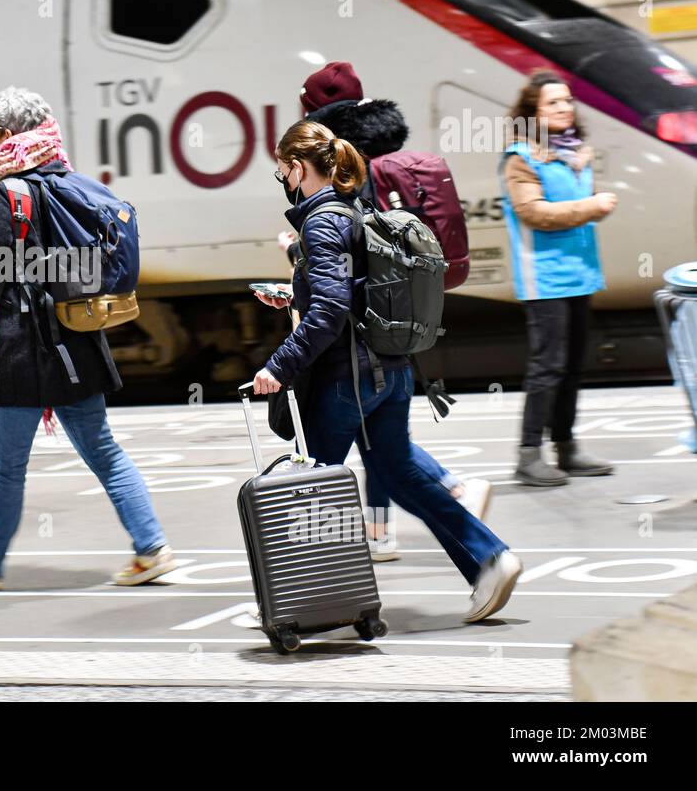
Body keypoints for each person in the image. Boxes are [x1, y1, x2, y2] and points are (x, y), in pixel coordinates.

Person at [254, 119, 522, 623]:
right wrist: (295, 294)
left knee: (317, 491)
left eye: (281, 172)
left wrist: (280, 364)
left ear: (295, 168)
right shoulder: (361, 207)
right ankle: (490, 558)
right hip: (391, 372)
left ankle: (311, 606)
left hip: (342, 384)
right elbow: (356, 293)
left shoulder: (319, 221)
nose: (283, 181)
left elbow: (331, 310)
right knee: (398, 473)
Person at [0, 86, 173, 591]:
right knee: (104, 450)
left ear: (2, 134)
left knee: (6, 465)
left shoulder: (9, 190)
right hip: (77, 337)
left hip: (25, 349)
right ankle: (152, 548)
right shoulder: (65, 180)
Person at [279, 62, 490, 560]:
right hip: (396, 333)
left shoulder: (335, 194)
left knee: (320, 478)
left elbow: (341, 282)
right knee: (389, 460)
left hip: (352, 354)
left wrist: (280, 362)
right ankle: (481, 553)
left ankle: (314, 589)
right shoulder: (385, 154)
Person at [500, 70, 617, 486]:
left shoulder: (575, 154)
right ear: (532, 113)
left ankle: (566, 448)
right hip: (544, 278)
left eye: (567, 100)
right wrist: (591, 206)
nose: (565, 108)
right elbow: (533, 212)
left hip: (580, 274)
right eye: (553, 102)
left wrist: (588, 206)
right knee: (547, 366)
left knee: (571, 365)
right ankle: (529, 454)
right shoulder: (521, 158)